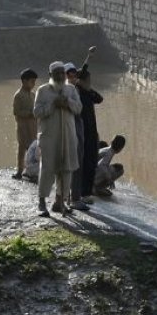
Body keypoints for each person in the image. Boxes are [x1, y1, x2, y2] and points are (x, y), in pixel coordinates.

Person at [33, 61, 82, 217]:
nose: (61, 76)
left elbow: (79, 108)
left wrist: (67, 102)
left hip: (68, 137)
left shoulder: (71, 90)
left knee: (67, 170)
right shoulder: (43, 91)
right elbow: (37, 112)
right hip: (49, 138)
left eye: (62, 73)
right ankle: (41, 203)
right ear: (50, 75)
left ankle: (59, 202)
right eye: (57, 73)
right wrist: (53, 104)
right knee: (47, 169)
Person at [66, 62, 102, 212]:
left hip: (91, 130)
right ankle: (78, 193)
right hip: (80, 131)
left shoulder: (87, 91)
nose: (89, 83)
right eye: (88, 80)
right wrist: (80, 84)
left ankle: (85, 192)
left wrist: (89, 88)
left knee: (91, 160)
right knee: (81, 162)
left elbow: (99, 99)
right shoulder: (74, 91)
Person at [12, 68, 38, 180]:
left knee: (33, 150)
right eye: (32, 81)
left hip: (33, 125)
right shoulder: (18, 95)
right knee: (22, 150)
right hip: (23, 127)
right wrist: (29, 114)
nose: (33, 84)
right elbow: (16, 111)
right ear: (24, 81)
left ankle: (31, 172)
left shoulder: (33, 94)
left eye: (34, 82)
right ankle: (19, 171)